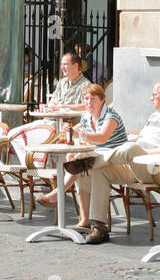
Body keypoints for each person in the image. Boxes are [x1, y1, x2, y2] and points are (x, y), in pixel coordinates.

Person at [70, 79, 160, 245]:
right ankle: (99, 227)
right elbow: (143, 138)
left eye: (154, 95)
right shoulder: (154, 116)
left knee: (128, 149)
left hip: (159, 170)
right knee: (101, 171)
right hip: (137, 167)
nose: (151, 98)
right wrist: (135, 139)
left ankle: (90, 161)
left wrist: (143, 153)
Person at [36, 83, 124, 224]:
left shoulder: (110, 116)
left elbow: (102, 137)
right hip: (95, 157)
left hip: (114, 158)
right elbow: (80, 133)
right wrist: (69, 134)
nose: (89, 103)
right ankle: (84, 220)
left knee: (81, 163)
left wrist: (80, 134)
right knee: (80, 166)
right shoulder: (86, 116)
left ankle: (59, 193)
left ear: (102, 100)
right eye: (86, 99)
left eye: (93, 99)